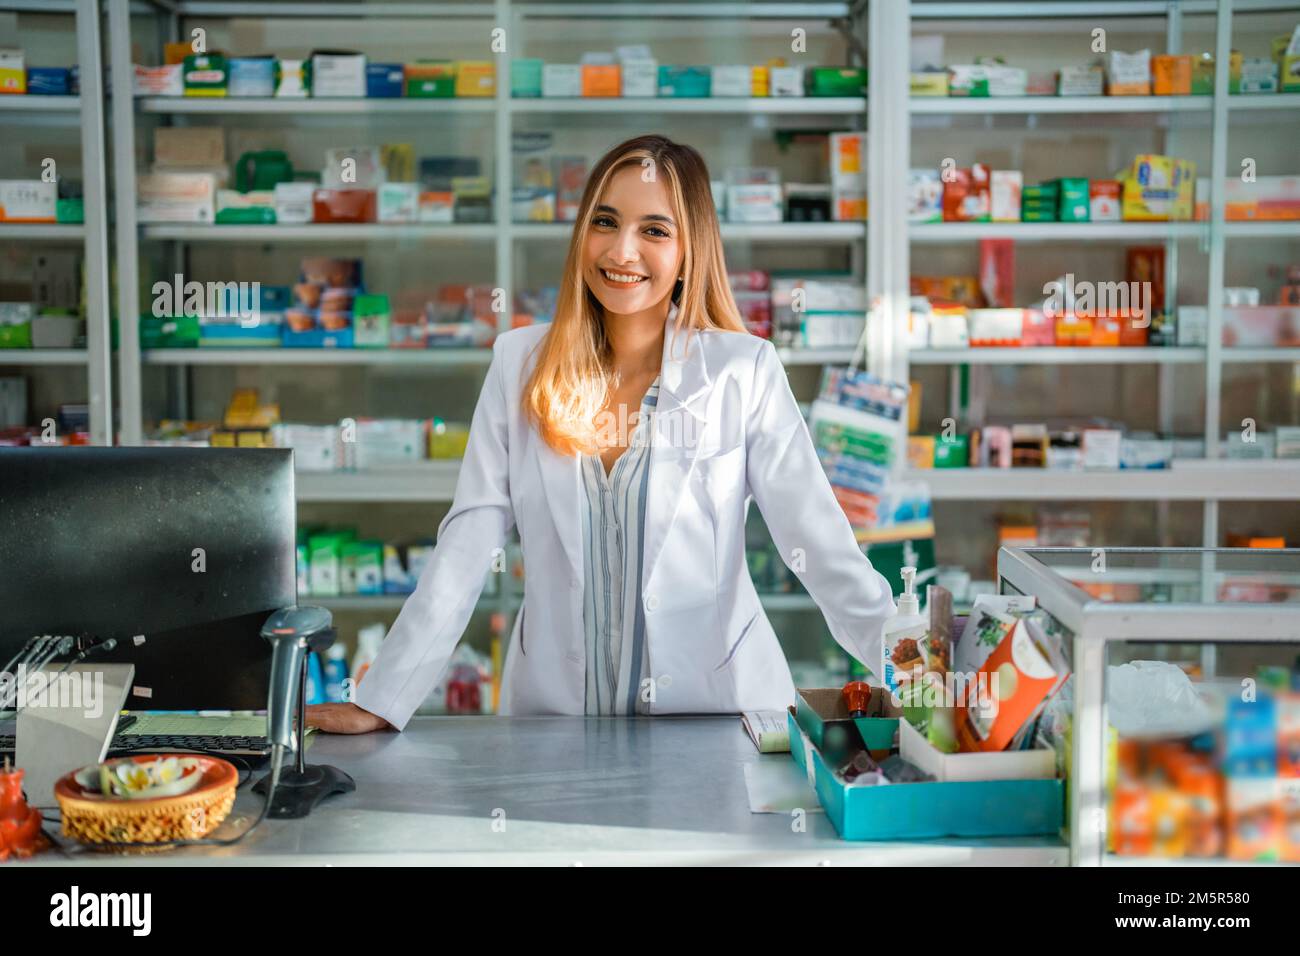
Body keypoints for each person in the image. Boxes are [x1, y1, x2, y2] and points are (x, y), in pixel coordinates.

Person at [307, 134, 895, 733]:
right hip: (558, 723)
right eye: (605, 221)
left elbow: (819, 544)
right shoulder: (521, 364)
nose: (621, 250)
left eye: (655, 231)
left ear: (691, 250)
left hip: (717, 717)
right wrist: (381, 697)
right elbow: (468, 540)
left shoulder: (742, 370)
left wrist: (916, 674)